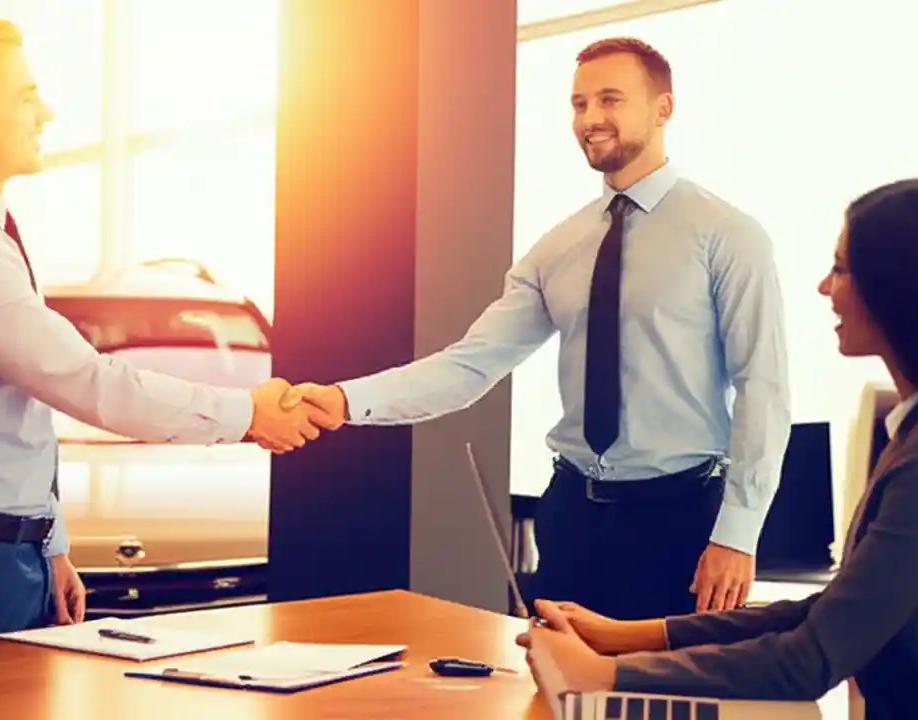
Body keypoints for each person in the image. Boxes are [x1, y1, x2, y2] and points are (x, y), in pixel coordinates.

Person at [0, 17, 333, 646]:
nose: (45, 112)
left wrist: (48, 544)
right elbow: (83, 381)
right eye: (25, 95)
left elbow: (10, 418)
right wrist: (247, 414)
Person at [518, 178, 918, 719]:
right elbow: (829, 613)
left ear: (903, 289)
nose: (825, 287)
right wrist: (626, 637)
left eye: (842, 268)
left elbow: (812, 658)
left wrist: (605, 674)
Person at [284, 37, 790, 620]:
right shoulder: (559, 247)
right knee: (554, 698)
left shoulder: (727, 234)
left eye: (610, 100)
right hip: (572, 515)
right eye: (578, 104)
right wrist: (346, 400)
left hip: (680, 517)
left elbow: (765, 388)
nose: (590, 119)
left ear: (662, 108)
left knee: (662, 703)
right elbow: (470, 364)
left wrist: (738, 534)